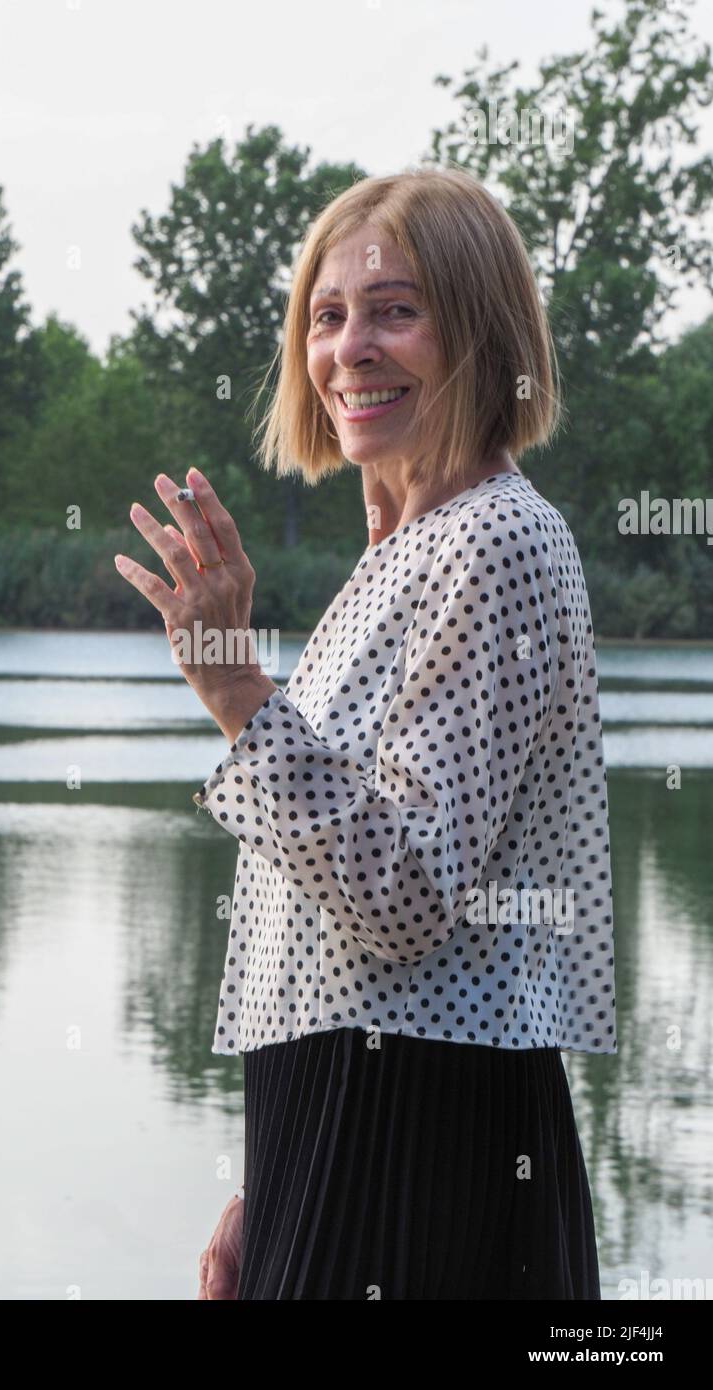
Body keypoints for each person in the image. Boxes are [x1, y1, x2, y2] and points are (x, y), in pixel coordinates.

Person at [114, 166, 617, 1300]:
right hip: (337, 1131)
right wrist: (267, 1186)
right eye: (327, 317)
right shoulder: (399, 558)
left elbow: (402, 893)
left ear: (481, 335)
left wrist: (238, 690)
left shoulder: (496, 542)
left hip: (423, 1142)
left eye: (396, 309)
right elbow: (329, 935)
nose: (351, 348)